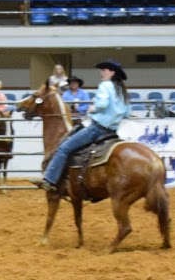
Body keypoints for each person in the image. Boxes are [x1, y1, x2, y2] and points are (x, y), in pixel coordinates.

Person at [32, 59, 131, 193]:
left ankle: (49, 180)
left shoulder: (105, 85)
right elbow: (127, 112)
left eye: (104, 70)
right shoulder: (122, 89)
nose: (102, 73)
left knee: (64, 148)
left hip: (97, 128)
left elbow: (102, 104)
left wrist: (92, 108)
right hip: (112, 131)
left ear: (112, 72)